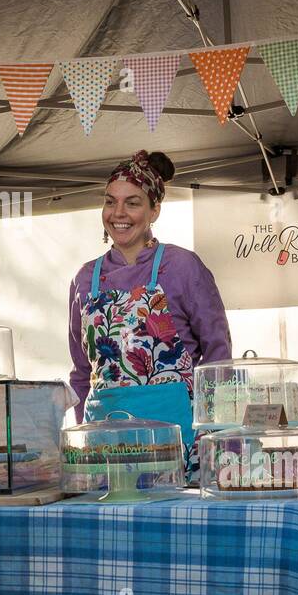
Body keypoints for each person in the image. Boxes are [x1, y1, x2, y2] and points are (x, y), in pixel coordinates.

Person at [68, 151, 232, 463]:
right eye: (110, 201)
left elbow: (218, 355)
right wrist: (82, 435)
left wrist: (211, 435)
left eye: (133, 202)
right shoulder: (85, 278)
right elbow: (80, 371)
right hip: (105, 444)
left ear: (154, 210)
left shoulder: (182, 266)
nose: (119, 212)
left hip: (179, 441)